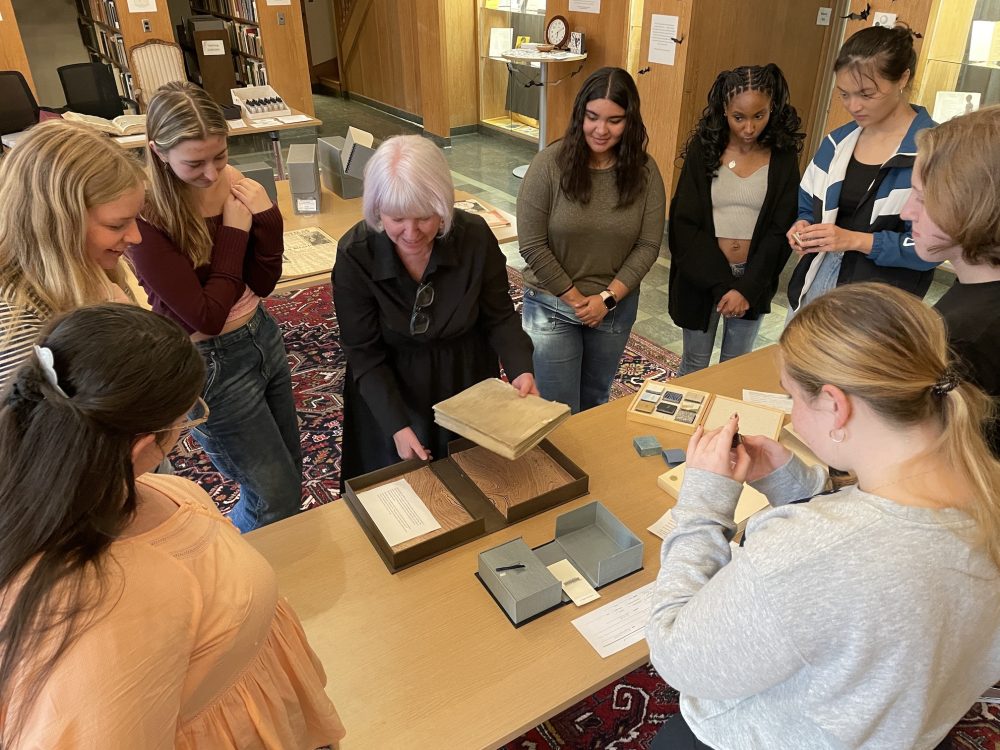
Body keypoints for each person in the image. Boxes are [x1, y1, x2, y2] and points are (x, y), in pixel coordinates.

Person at [646, 283, 1000, 749]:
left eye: (792, 396)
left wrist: (703, 506)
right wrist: (793, 484)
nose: (792, 411)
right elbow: (870, 540)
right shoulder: (984, 484)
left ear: (835, 404)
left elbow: (677, 655)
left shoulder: (811, 552)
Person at [0, 304, 345, 748]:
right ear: (143, 445)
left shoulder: (116, 501)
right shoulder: (111, 609)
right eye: (189, 417)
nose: (187, 427)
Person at [128, 81, 301, 533]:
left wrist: (267, 219)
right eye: (195, 163)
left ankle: (272, 567)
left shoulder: (232, 181)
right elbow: (206, 316)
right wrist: (236, 231)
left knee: (289, 474)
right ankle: (235, 574)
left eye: (220, 156)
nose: (211, 173)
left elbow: (262, 283)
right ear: (159, 152)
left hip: (260, 334)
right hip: (209, 363)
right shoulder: (146, 215)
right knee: (272, 495)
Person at [333, 135, 536, 481]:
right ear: (377, 210)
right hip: (391, 385)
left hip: (466, 378)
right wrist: (397, 425)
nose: (411, 233)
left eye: (425, 217)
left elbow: (499, 316)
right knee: (399, 492)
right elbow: (364, 353)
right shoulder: (356, 253)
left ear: (442, 206)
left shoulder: (474, 236)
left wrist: (520, 369)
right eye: (396, 219)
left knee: (477, 481)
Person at [517, 66, 665, 413]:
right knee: (556, 411)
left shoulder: (645, 171)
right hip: (552, 305)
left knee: (596, 403)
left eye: (614, 120)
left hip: (613, 307)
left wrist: (606, 300)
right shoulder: (548, 165)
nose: (601, 130)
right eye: (593, 117)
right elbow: (532, 244)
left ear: (630, 122)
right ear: (580, 114)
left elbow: (648, 246)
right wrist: (576, 300)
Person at [786, 25, 939, 317]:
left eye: (867, 94)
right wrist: (803, 227)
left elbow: (932, 248)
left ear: (902, 78)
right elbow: (808, 206)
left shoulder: (934, 151)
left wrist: (856, 240)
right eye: (844, 94)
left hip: (881, 303)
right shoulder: (837, 142)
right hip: (817, 284)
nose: (853, 106)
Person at [668, 64, 803, 375]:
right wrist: (721, 285)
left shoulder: (782, 158)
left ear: (773, 109)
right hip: (703, 275)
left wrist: (745, 288)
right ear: (723, 111)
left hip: (753, 276)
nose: (749, 128)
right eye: (738, 117)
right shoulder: (704, 150)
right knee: (695, 365)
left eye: (759, 116)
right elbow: (684, 223)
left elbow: (780, 228)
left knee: (735, 367)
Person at [0, 120, 144, 389]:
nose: (136, 237)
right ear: (57, 224)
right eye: (116, 225)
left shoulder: (93, 267)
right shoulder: (15, 321)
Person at [902, 104, 1000, 454]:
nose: (906, 212)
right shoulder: (976, 295)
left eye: (923, 198)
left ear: (971, 205)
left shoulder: (967, 338)